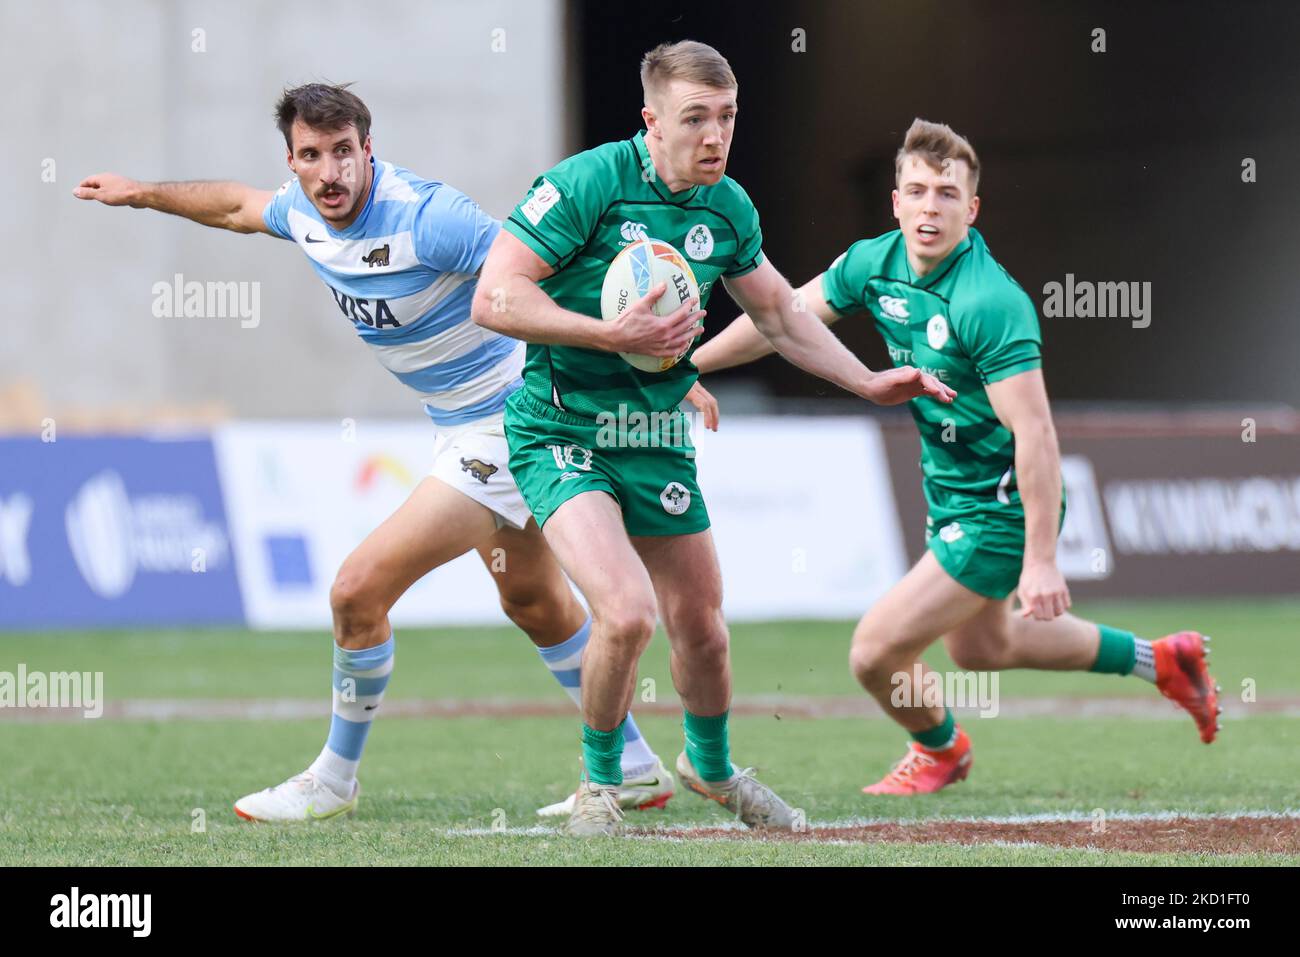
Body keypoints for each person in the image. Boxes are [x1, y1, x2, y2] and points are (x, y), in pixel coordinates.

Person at [74, 82, 674, 821]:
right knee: (533, 598)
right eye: (310, 156)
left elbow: (535, 266)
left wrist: (649, 362)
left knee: (357, 590)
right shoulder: (302, 211)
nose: (329, 173)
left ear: (369, 149)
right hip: (461, 424)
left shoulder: (430, 219)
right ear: (292, 162)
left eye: (343, 153)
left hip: (514, 419)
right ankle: (637, 760)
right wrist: (141, 194)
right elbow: (234, 205)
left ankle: (333, 778)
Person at [472, 43, 954, 835]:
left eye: (726, 117)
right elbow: (495, 298)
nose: (714, 135)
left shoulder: (726, 207)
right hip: (562, 428)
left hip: (657, 431)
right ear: (651, 122)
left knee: (703, 624)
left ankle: (711, 764)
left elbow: (779, 315)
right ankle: (601, 785)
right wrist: (606, 331)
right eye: (695, 118)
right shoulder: (585, 184)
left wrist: (867, 380)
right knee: (625, 614)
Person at [692, 118, 1221, 795]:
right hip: (950, 489)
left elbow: (1037, 434)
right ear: (895, 202)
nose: (929, 207)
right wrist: (685, 365)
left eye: (947, 194)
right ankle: (1164, 661)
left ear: (971, 209)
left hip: (1001, 502)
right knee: (982, 647)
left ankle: (939, 748)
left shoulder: (989, 301)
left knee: (876, 650)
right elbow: (781, 318)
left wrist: (1041, 559)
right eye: (916, 191)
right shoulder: (871, 264)